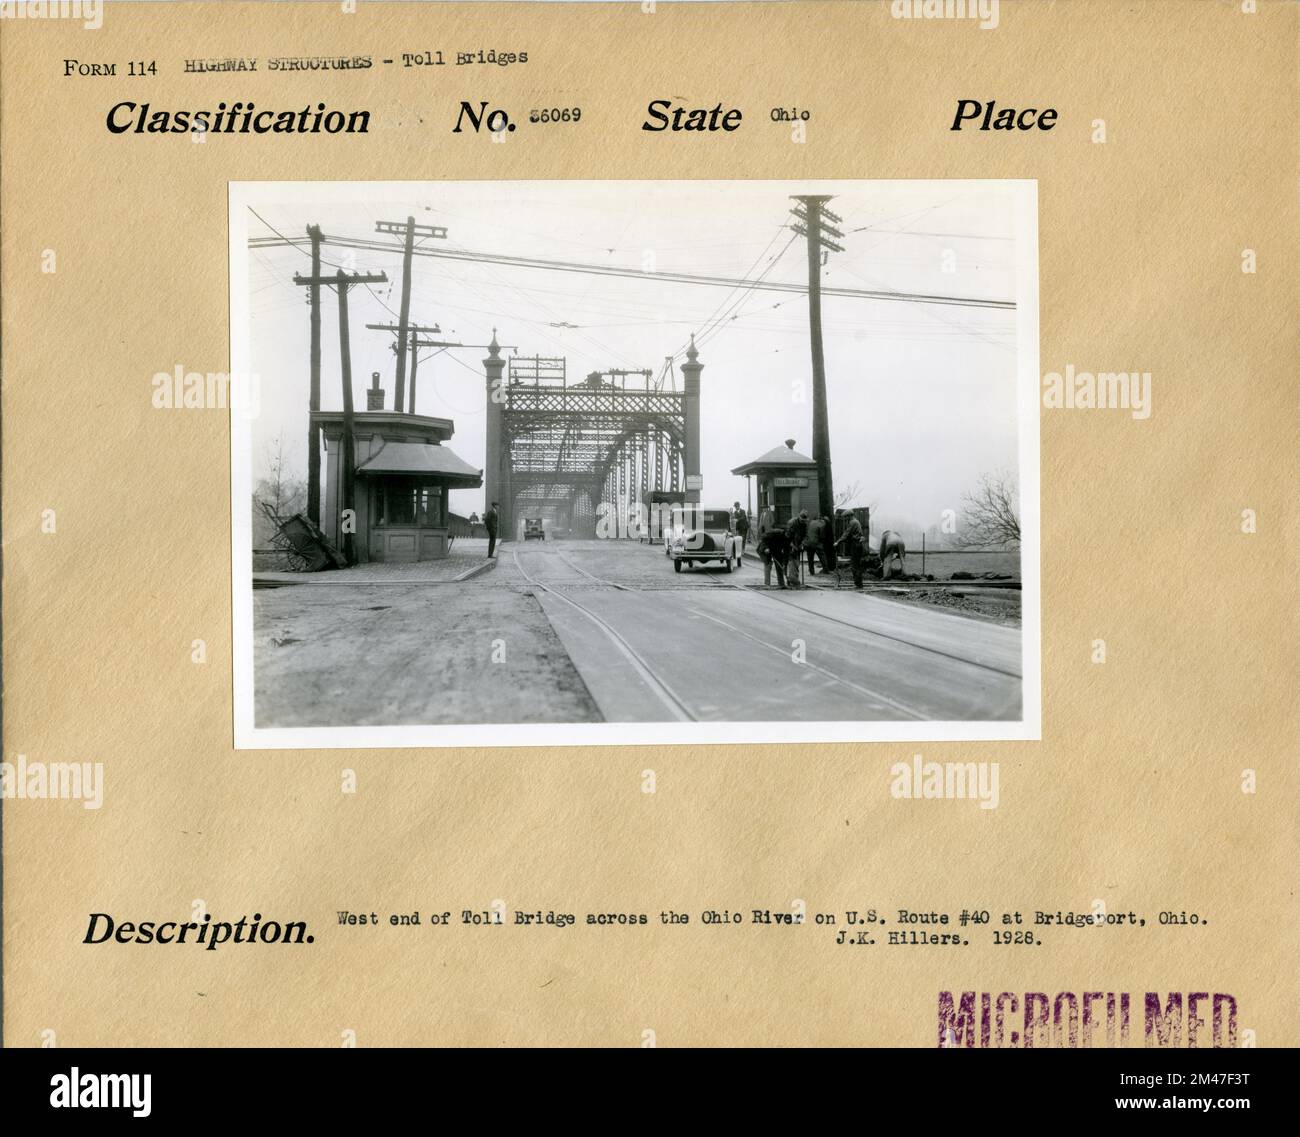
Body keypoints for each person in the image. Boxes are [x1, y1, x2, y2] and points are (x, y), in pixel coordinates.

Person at [834, 509, 866, 589]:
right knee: (856, 565)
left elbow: (846, 534)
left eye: (846, 517)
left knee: (855, 565)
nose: (845, 519)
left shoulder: (853, 522)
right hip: (857, 544)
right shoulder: (856, 521)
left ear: (849, 516)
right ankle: (858, 583)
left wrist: (838, 542)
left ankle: (858, 584)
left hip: (856, 545)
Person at [785, 510, 809, 588]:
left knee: (797, 563)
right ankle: (793, 579)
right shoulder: (792, 523)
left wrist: (802, 544)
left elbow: (806, 536)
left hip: (798, 545)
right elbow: (787, 536)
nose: (803, 522)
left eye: (804, 520)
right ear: (799, 517)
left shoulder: (804, 525)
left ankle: (792, 579)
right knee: (792, 562)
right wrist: (792, 545)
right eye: (802, 520)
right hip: (790, 544)